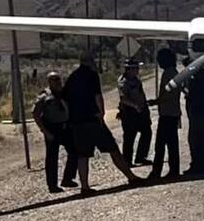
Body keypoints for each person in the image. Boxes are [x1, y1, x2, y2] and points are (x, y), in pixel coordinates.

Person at [62, 49, 141, 193]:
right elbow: (97, 96)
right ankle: (131, 177)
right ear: (90, 61)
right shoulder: (92, 75)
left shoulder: (72, 77)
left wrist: (70, 115)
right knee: (113, 149)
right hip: (93, 119)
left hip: (77, 122)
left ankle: (85, 187)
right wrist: (101, 113)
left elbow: (64, 98)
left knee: (83, 155)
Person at [32, 71, 71, 193]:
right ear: (49, 82)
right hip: (52, 129)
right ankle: (52, 185)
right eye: (54, 79)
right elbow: (35, 114)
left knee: (75, 151)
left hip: (65, 127)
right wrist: (45, 131)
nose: (58, 82)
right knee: (52, 158)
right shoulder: (44, 96)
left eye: (58, 79)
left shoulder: (64, 93)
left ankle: (68, 178)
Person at [149, 48, 181, 182]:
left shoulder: (169, 73)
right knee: (171, 143)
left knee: (161, 144)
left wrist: (156, 101)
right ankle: (173, 170)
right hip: (171, 112)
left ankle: (157, 172)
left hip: (169, 113)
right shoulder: (172, 72)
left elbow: (168, 95)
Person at [118, 59, 152, 167]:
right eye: (135, 68)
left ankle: (141, 157)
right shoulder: (123, 81)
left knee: (147, 132)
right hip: (130, 112)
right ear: (129, 70)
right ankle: (127, 161)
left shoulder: (136, 79)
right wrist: (135, 106)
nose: (137, 70)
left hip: (141, 111)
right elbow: (123, 98)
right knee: (129, 137)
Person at [184, 62, 204, 175]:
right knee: (198, 138)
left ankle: (199, 165)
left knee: (197, 140)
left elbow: (193, 94)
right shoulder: (203, 76)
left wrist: (186, 90)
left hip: (199, 112)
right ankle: (200, 164)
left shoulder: (199, 78)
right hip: (200, 112)